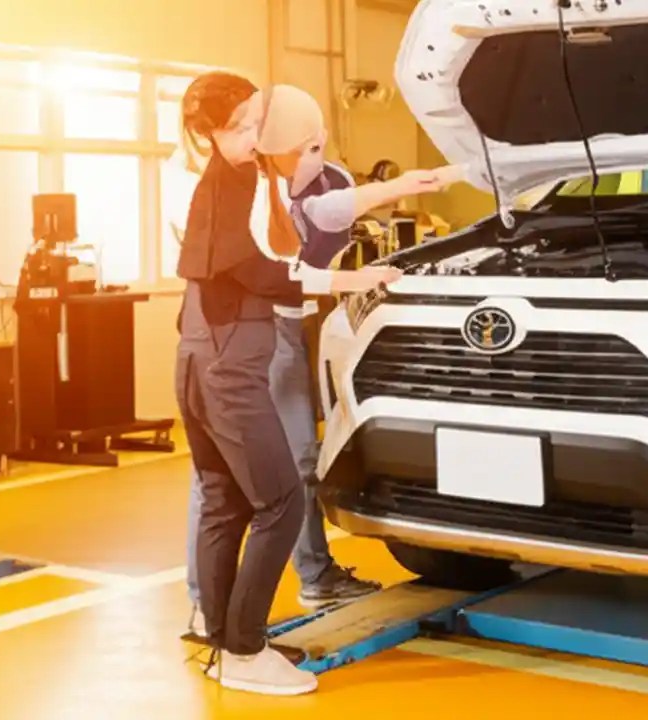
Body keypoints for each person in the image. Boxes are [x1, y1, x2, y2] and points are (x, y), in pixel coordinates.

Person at [174, 73, 452, 696]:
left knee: (227, 501)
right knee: (281, 502)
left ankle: (221, 637)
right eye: (240, 127)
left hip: (196, 357)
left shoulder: (220, 182)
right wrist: (347, 282)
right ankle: (244, 649)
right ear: (213, 131)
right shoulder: (237, 180)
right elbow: (258, 269)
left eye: (255, 125)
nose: (252, 137)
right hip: (228, 364)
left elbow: (300, 227)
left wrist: (399, 188)